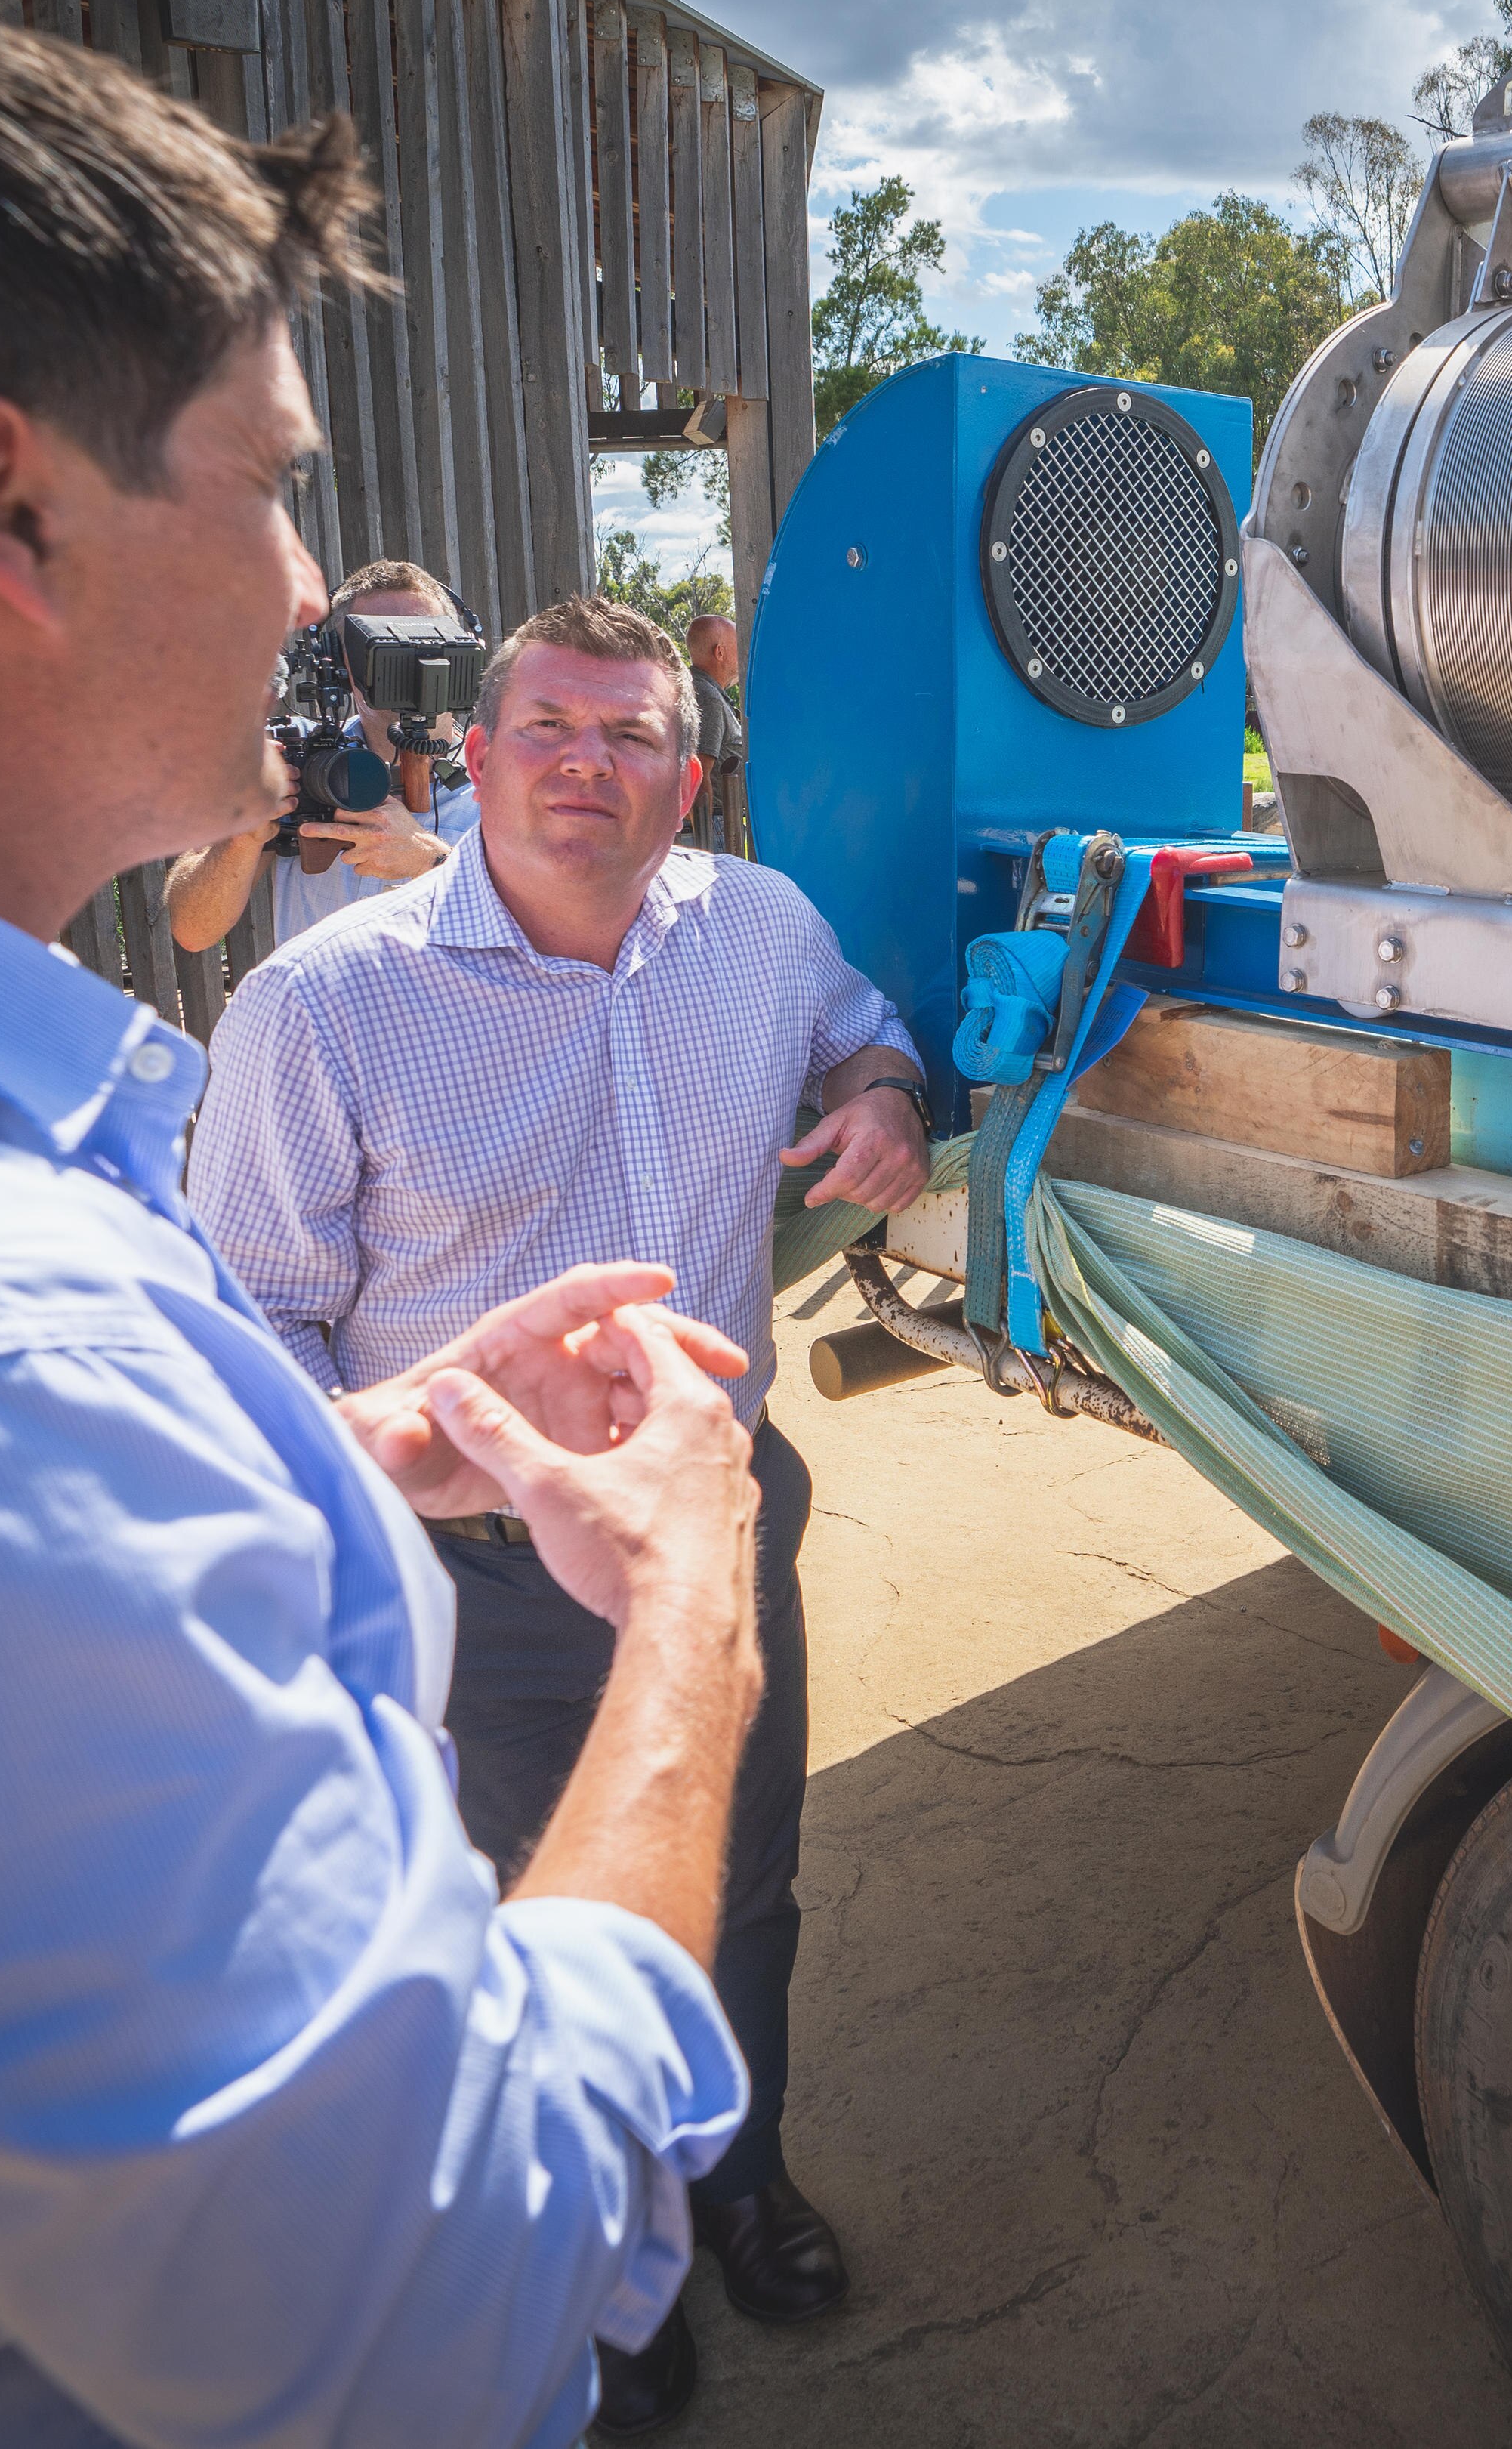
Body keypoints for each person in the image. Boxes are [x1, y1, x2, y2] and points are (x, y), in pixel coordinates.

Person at [0, 0, 782, 2444]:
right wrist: (693, 1617)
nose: (306, 595)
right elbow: (454, 2328)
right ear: (8, 502)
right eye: (273, 484)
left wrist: (319, 1454)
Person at [187, 592, 932, 2432]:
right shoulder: (323, 1004)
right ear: (480, 752)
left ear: (691, 771)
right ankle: (601, 2252)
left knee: (745, 1882)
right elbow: (245, 1324)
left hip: (718, 1523)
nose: (593, 763)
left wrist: (889, 1094)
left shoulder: (758, 930)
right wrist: (421, 1455)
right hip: (481, 1566)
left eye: (635, 735)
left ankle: (735, 2177)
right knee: (529, 1916)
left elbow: (860, 1027)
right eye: (553, 729)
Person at [164, 555, 485, 955]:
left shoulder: (508, 778)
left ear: (465, 647)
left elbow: (563, 932)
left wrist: (432, 863)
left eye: (428, 635)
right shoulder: (299, 762)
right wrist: (243, 836)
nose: (412, 656)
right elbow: (194, 931)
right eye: (382, 640)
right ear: (338, 662)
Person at [684, 608, 747, 851]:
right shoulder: (707, 697)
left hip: (716, 823)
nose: (743, 654)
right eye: (737, 646)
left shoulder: (700, 690)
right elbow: (699, 772)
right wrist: (706, 846)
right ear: (720, 652)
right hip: (715, 825)